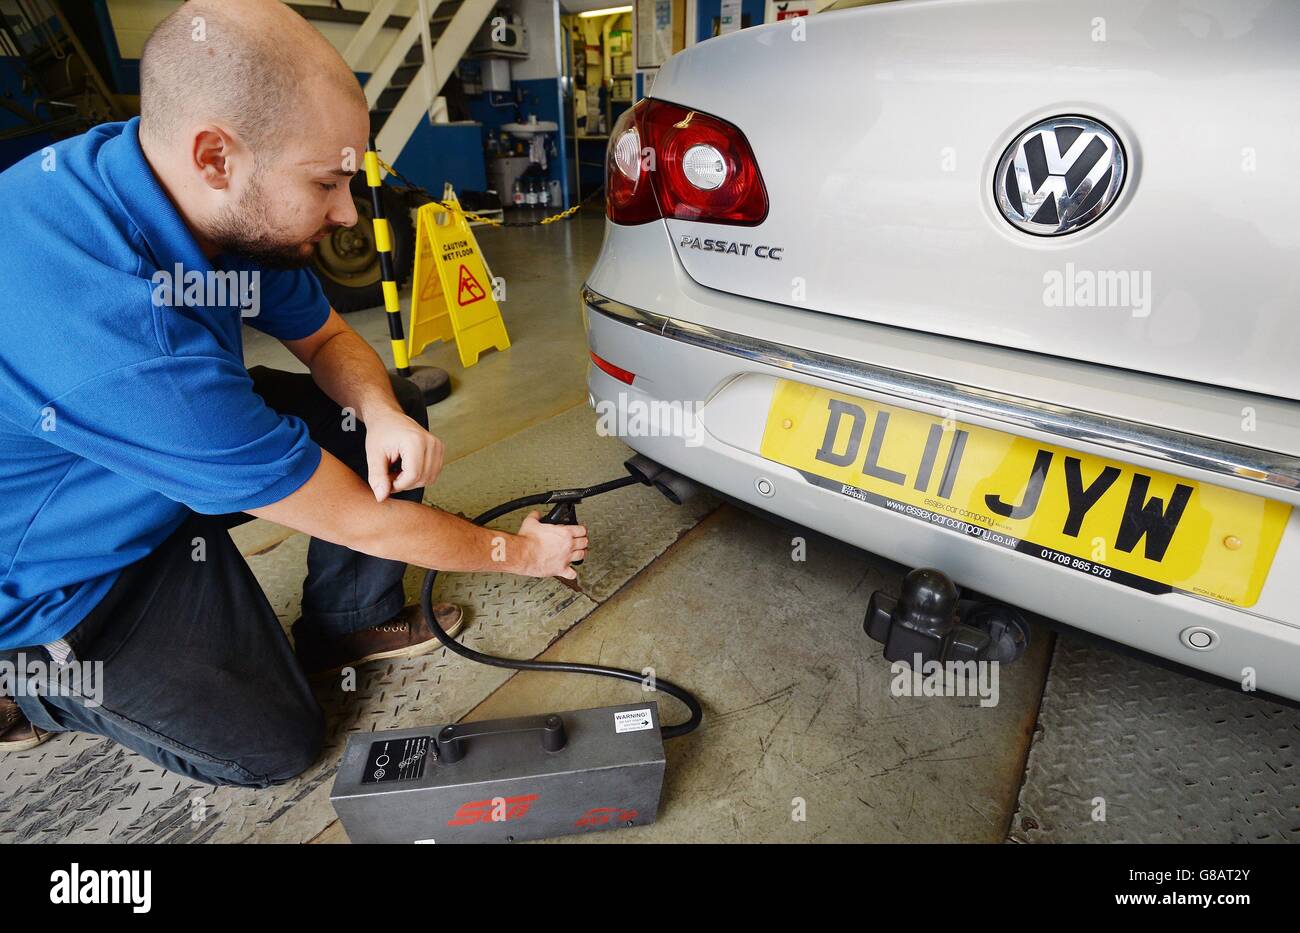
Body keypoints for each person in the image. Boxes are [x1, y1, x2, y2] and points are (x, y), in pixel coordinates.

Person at [0, 0, 587, 786]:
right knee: (270, 743)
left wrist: (379, 412)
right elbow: (355, 516)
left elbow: (328, 339)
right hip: (61, 571)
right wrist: (519, 554)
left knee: (394, 404)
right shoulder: (121, 333)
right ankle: (25, 680)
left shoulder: (170, 183)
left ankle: (346, 622)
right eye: (326, 181)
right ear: (216, 156)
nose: (347, 210)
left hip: (156, 459)